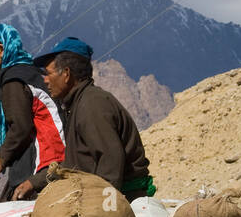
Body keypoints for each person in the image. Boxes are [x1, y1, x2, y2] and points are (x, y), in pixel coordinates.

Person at [13, 37, 154, 199]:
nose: (45, 80)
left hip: (122, 197)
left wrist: (103, 208)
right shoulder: (78, 105)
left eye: (48, 73)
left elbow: (110, 161)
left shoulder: (92, 105)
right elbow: (74, 164)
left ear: (66, 74)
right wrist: (34, 182)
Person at [0, 24, 64, 199]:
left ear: (1, 49)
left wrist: (0, 161)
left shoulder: (13, 80)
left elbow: (21, 127)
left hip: (42, 161)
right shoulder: (31, 71)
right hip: (56, 155)